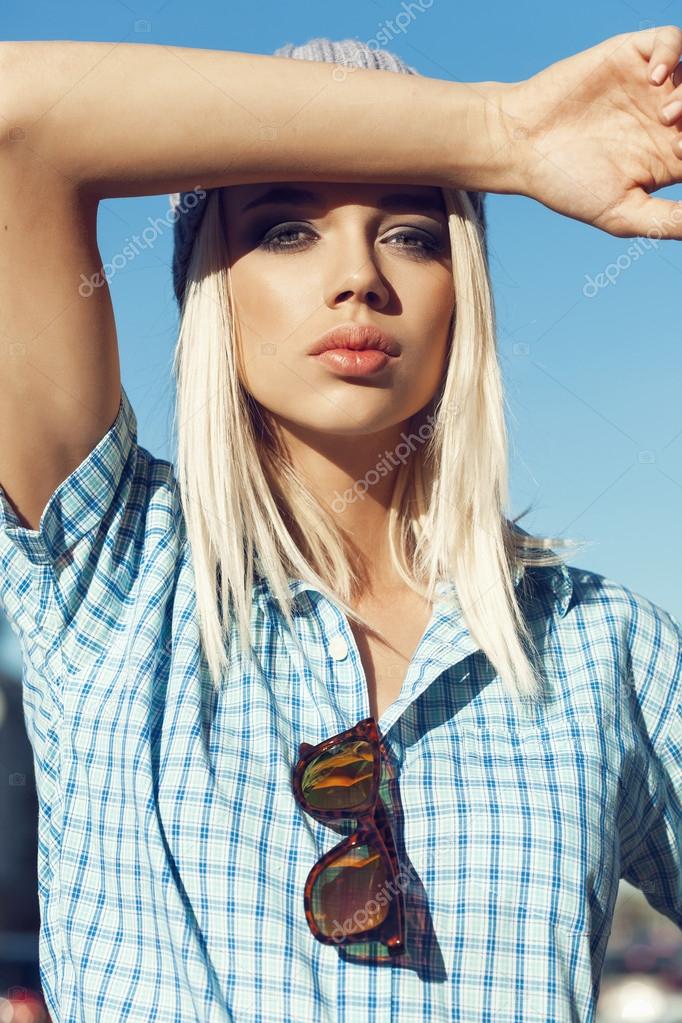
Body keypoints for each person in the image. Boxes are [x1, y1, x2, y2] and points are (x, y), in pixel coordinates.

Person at [0, 26, 680, 1022]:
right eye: (286, 229)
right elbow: (16, 117)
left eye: (412, 232)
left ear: (462, 289)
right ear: (211, 285)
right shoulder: (111, 566)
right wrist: (502, 130)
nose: (360, 275)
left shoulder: (599, 645)